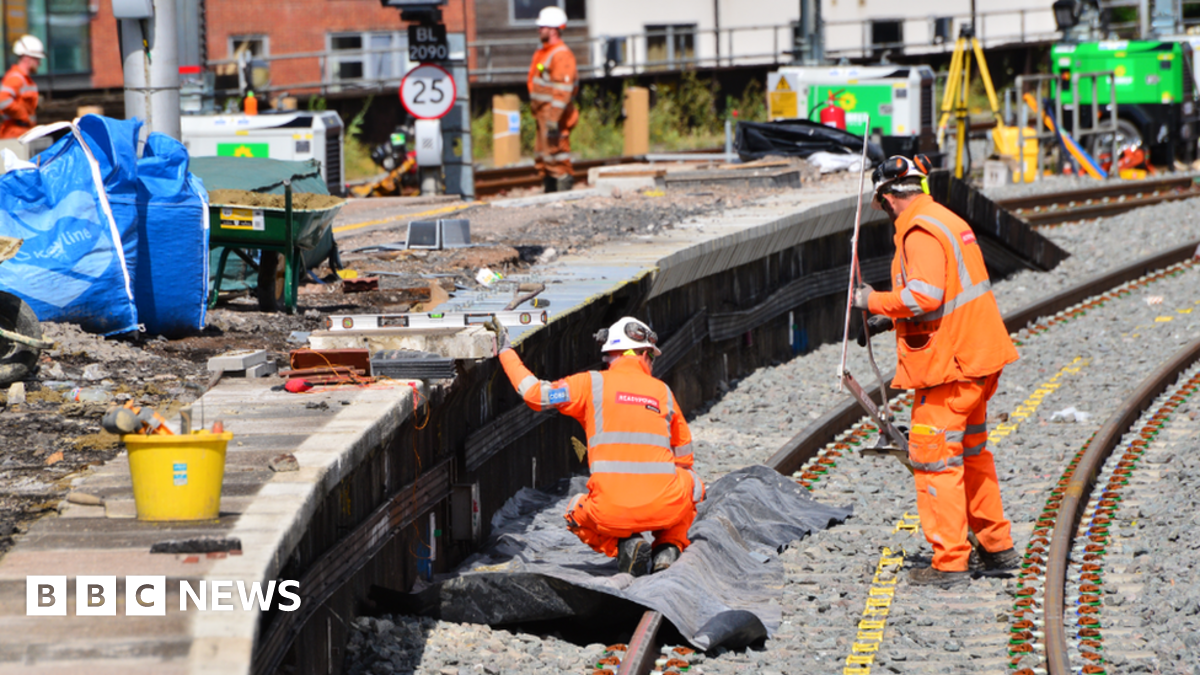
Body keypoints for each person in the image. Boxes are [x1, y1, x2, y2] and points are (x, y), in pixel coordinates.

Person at [853, 155, 1021, 588]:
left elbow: (925, 295)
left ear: (889, 197)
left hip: (950, 366)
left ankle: (950, 564)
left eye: (883, 204)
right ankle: (997, 547)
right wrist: (892, 318)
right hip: (976, 357)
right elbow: (948, 293)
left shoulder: (918, 229)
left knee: (935, 461)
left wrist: (873, 302)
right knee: (972, 454)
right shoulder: (945, 219)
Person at [496, 317, 704, 576]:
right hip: (665, 507)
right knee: (693, 483)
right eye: (651, 357)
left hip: (610, 511)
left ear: (611, 355)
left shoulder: (589, 385)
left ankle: (625, 545)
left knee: (574, 510)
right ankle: (669, 546)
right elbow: (684, 455)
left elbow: (535, 394)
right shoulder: (662, 392)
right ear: (643, 355)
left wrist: (505, 351)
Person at [526, 6, 578, 194]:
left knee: (558, 158)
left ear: (554, 29)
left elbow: (563, 91)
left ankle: (563, 195)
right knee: (544, 159)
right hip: (542, 114)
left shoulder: (561, 55)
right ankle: (550, 195)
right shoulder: (545, 52)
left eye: (543, 26)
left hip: (553, 116)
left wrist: (554, 118)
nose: (539, 29)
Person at [0, 35, 43, 140]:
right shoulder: (15, 78)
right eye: (37, 59)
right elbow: (2, 100)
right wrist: (24, 116)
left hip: (24, 133)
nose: (39, 63)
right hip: (13, 134)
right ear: (27, 58)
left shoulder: (27, 81)